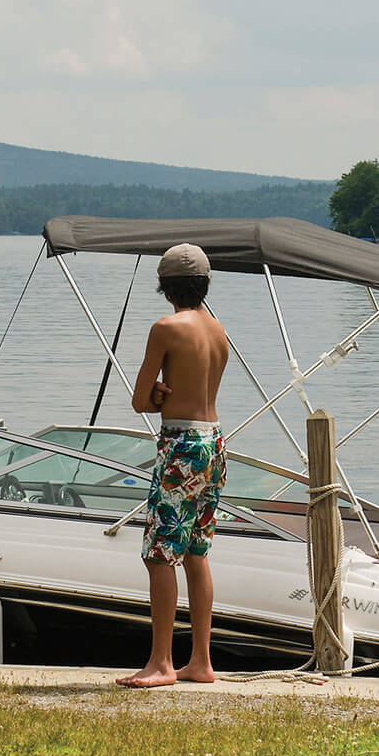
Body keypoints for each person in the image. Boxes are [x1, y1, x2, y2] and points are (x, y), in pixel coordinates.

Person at [119, 243, 230, 688]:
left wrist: (157, 395)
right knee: (196, 552)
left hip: (181, 445)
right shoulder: (219, 331)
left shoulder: (165, 328)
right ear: (205, 284)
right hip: (214, 442)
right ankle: (201, 661)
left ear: (165, 287)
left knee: (159, 555)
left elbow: (140, 400)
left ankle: (162, 663)